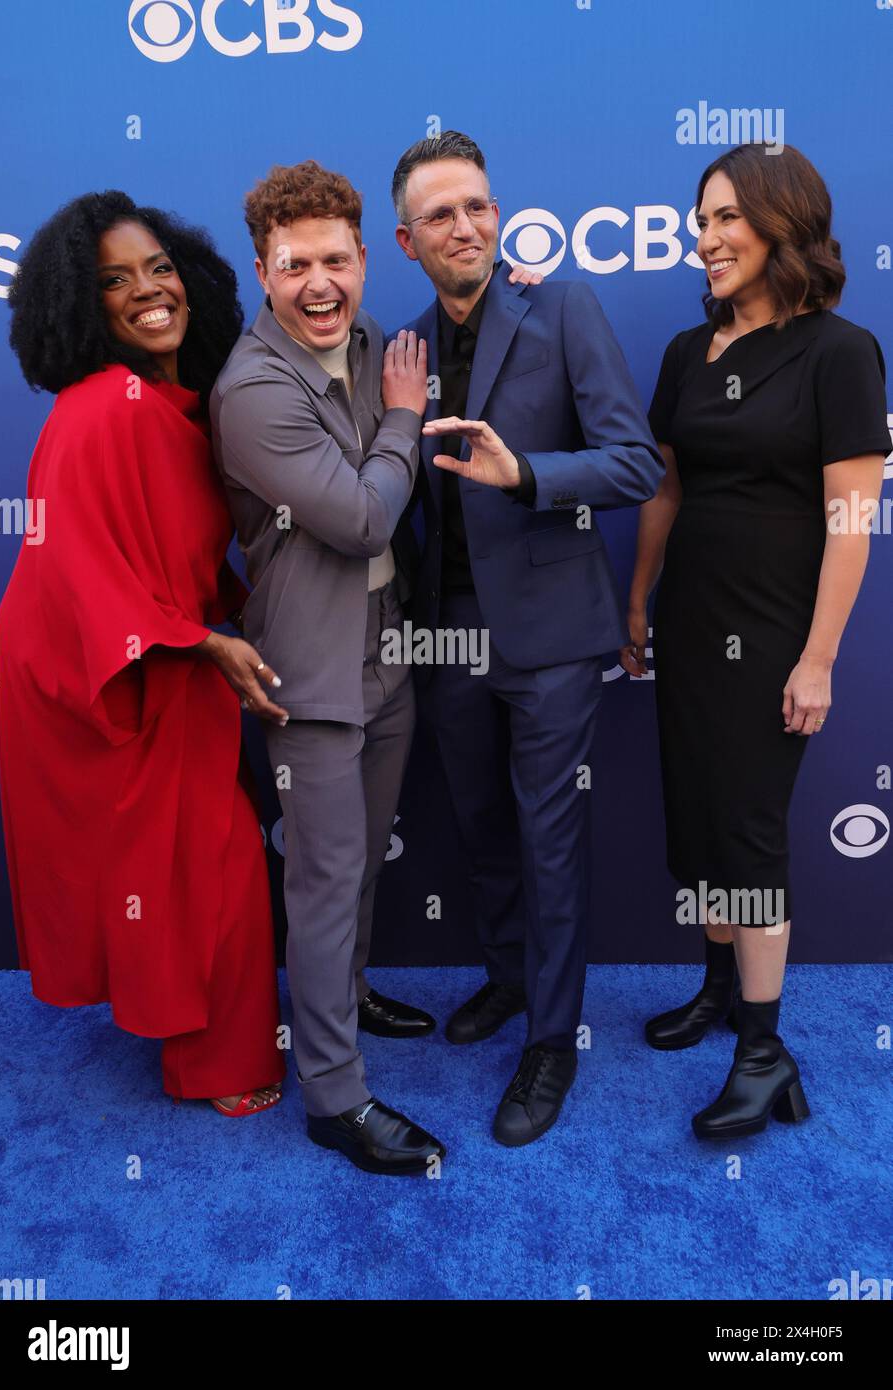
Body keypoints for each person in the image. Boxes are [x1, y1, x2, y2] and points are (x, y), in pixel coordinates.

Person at [390, 131, 664, 1147]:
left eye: (479, 206)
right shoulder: (402, 346)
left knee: (549, 838)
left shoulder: (560, 306)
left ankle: (553, 1041)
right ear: (407, 239)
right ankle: (508, 980)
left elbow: (634, 462)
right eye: (441, 215)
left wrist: (530, 475)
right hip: (445, 635)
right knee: (480, 825)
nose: (466, 226)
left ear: (496, 213)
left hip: (549, 634)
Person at [0, 192, 287, 1116]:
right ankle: (220, 1064)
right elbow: (72, 561)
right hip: (105, 669)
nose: (149, 290)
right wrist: (203, 641)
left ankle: (197, 1036)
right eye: (114, 280)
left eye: (160, 267)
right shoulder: (101, 410)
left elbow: (175, 548)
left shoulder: (170, 402)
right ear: (82, 308)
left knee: (204, 858)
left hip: (161, 651)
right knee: (214, 860)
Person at [621, 143, 889, 1139]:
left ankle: (765, 1052)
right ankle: (720, 988)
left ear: (783, 222)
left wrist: (817, 657)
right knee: (698, 819)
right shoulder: (692, 355)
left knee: (747, 834)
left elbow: (852, 522)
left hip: (774, 630)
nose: (708, 237)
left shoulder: (840, 351)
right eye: (701, 218)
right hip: (691, 617)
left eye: (728, 216)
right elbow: (667, 484)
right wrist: (639, 596)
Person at [210, 161, 446, 1174]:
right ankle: (334, 1097)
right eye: (294, 263)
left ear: (362, 258)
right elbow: (355, 518)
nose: (319, 281)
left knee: (356, 871)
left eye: (335, 259)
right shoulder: (252, 386)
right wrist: (403, 415)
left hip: (388, 644)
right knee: (323, 878)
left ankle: (339, 999)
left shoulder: (360, 343)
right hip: (309, 669)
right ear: (262, 271)